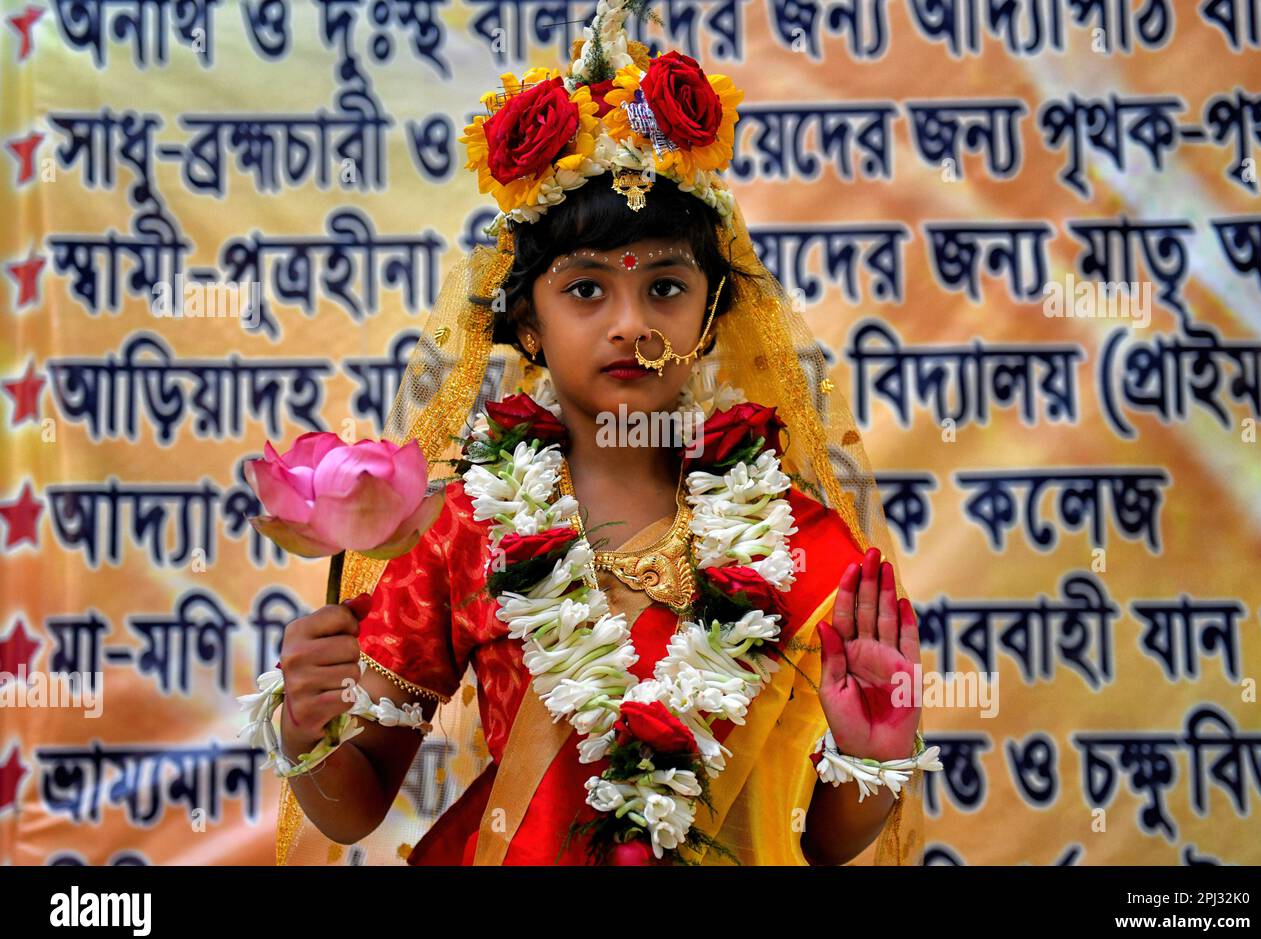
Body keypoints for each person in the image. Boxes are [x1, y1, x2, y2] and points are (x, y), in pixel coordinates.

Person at [269, 1, 937, 866]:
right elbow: (354, 811)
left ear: (709, 314)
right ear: (528, 325)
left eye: (665, 287)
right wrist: (304, 727)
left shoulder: (798, 536)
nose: (629, 324)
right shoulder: (465, 526)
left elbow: (822, 845)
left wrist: (873, 753)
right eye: (586, 290)